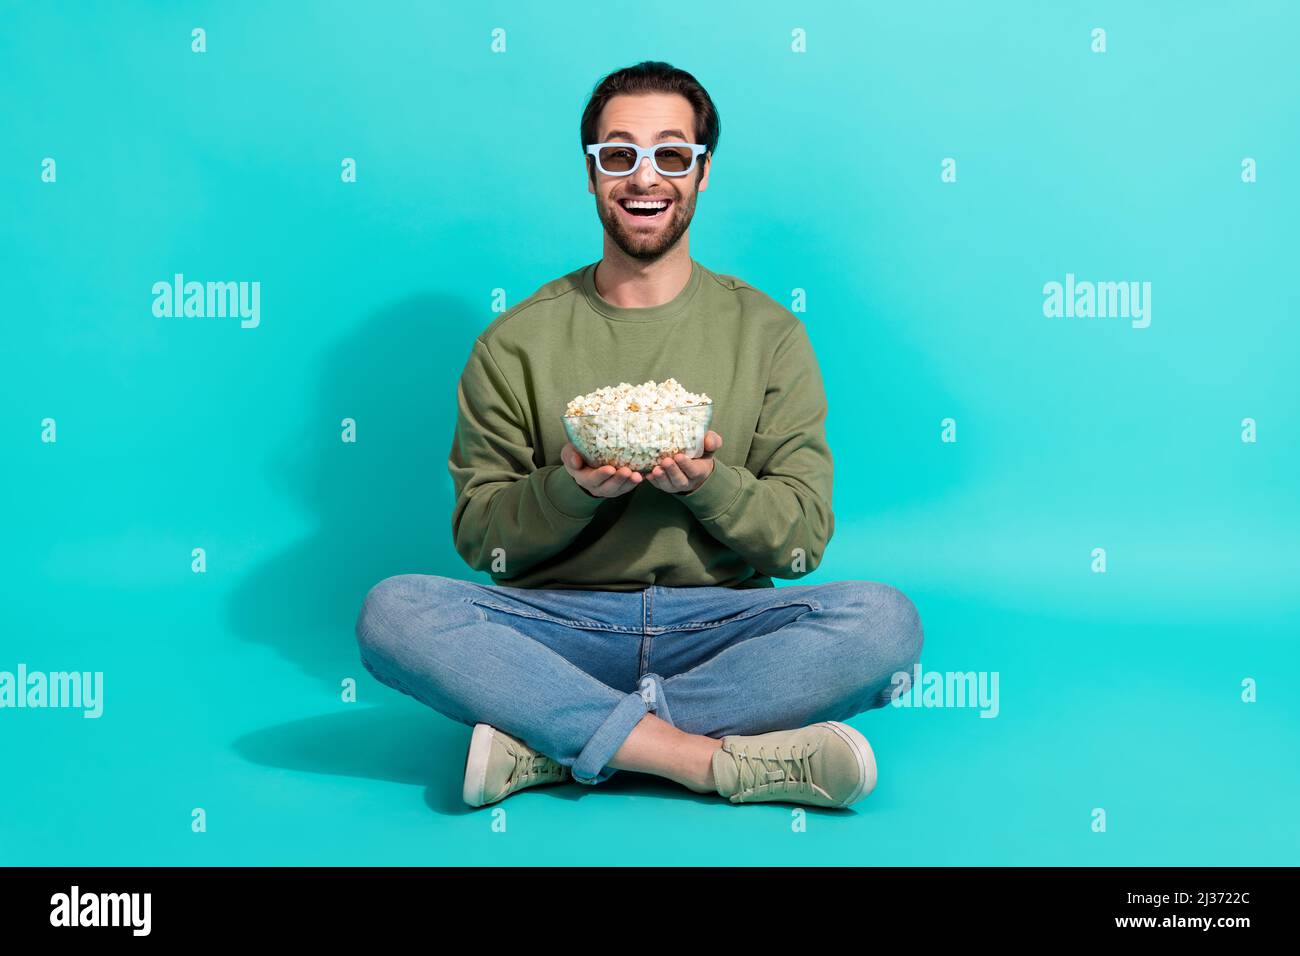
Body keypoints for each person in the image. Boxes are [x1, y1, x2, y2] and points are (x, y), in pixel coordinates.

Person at [354, 60, 923, 810]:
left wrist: (709, 485)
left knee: (886, 625)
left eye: (672, 154)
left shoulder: (769, 334)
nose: (644, 178)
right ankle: (702, 761)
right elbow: (481, 541)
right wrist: (570, 491)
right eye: (619, 154)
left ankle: (558, 742)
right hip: (557, 623)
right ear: (591, 175)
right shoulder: (514, 344)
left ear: (703, 172)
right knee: (393, 613)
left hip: (718, 626)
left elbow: (801, 544)